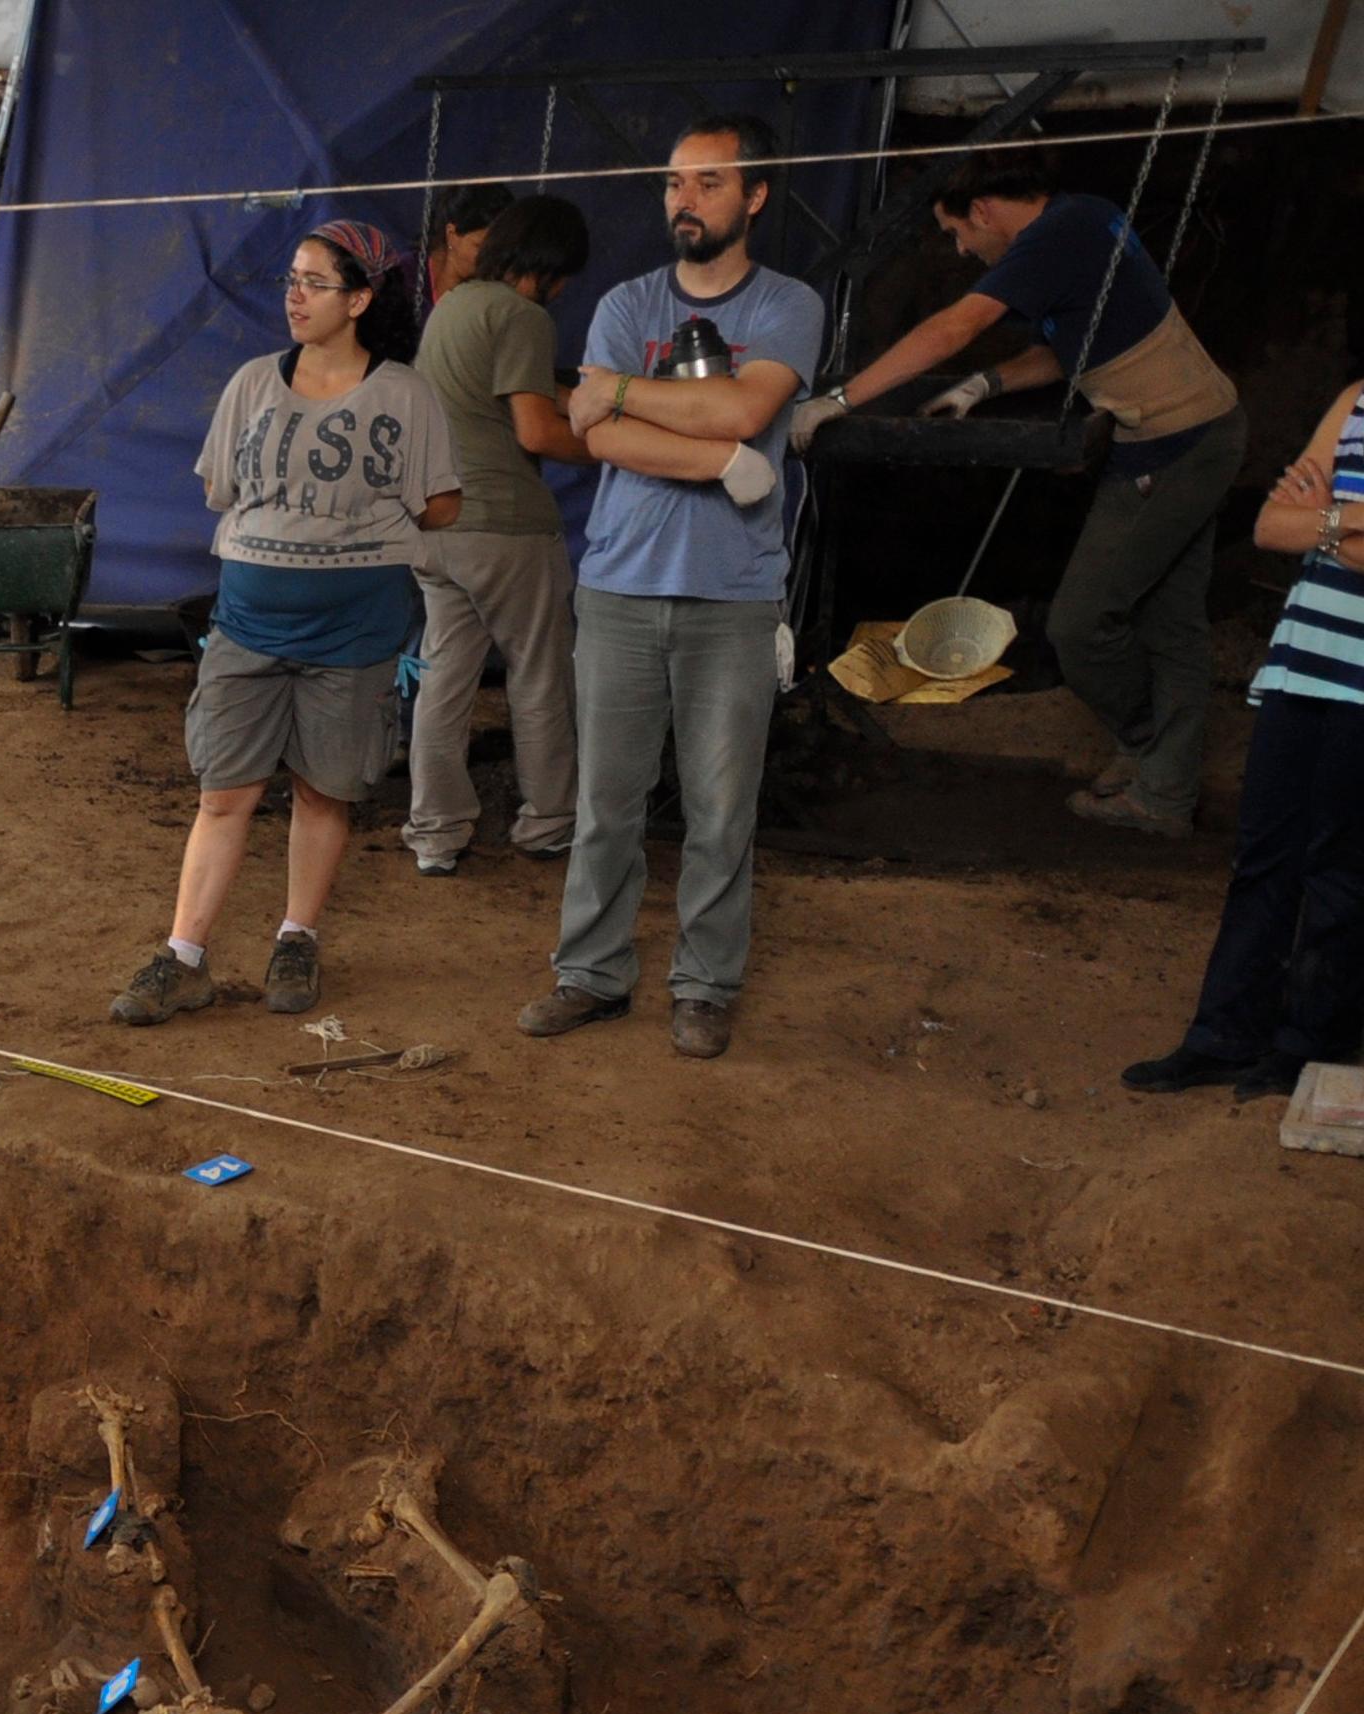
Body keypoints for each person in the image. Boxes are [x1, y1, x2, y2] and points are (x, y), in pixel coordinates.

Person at [792, 156, 1249, 839]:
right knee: (1172, 624)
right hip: (1205, 428)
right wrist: (986, 386)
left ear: (981, 210)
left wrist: (839, 398)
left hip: (1173, 447)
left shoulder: (1050, 239)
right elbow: (1076, 348)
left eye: (955, 233)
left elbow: (952, 327)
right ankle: (1163, 790)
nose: (961, 250)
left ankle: (1152, 754)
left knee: (1081, 624)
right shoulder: (1084, 217)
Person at [110, 221, 460, 1027]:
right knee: (224, 792)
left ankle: (296, 938)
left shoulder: (405, 395)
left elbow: (442, 504)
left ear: (362, 299)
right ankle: (184, 956)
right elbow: (222, 491)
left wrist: (366, 512)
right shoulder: (251, 385)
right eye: (290, 280)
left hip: (356, 631)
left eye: (315, 282)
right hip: (249, 622)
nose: (295, 296)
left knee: (322, 790)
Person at [533, 115, 823, 1063]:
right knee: (606, 801)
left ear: (754, 196)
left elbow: (744, 406)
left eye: (706, 183)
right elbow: (597, 433)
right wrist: (720, 459)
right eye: (673, 185)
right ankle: (592, 974)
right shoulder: (625, 303)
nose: (683, 201)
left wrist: (622, 392)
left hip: (733, 595)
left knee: (719, 807)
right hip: (618, 587)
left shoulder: (788, 305)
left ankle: (703, 986)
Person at [1122, 376, 1364, 1098]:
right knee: (1263, 858)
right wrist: (1342, 524)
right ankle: (1222, 1036)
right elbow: (1268, 527)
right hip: (1301, 667)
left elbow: (1304, 525)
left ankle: (1309, 1046)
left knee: (1340, 870)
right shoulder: (1354, 396)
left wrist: (1319, 519)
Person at [405, 195, 595, 877]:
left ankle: (435, 831)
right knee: (541, 677)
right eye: (565, 273)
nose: (566, 287)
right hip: (506, 527)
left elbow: (522, 394)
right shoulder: (523, 317)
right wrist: (623, 452)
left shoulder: (452, 306)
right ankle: (548, 823)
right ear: (546, 267)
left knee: (444, 681)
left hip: (437, 526)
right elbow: (537, 431)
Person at [423, 182, 517, 305]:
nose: (493, 260)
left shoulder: (499, 289)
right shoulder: (408, 277)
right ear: (451, 235)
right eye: (480, 247)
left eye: (500, 250)